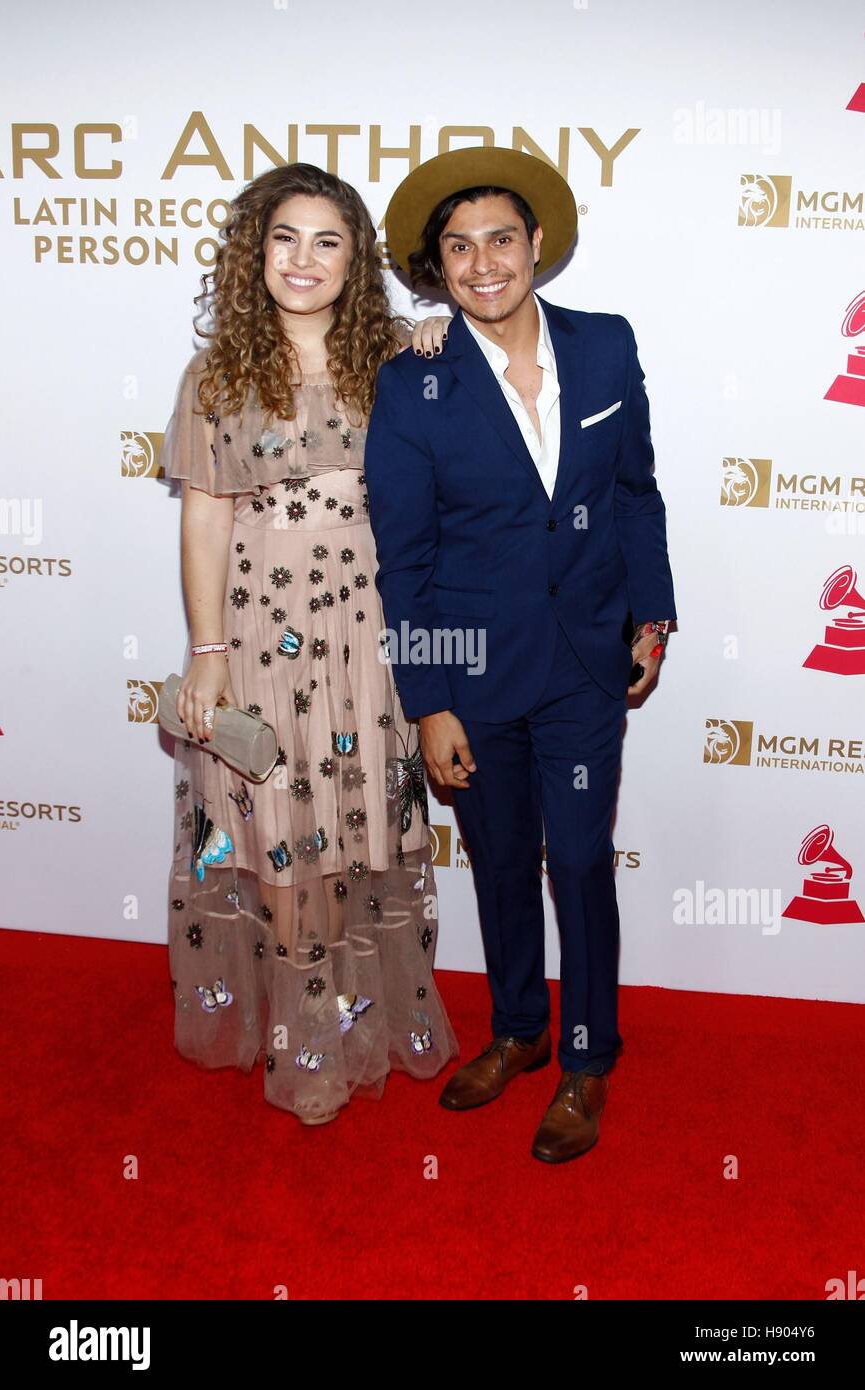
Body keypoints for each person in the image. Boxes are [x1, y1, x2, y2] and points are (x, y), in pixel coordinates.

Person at [364, 147, 676, 1162]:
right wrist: (428, 700)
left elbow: (633, 492)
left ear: (537, 245)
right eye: (457, 247)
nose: (481, 262)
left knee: (579, 862)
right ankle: (517, 1030)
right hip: (474, 671)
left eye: (499, 238)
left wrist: (653, 613)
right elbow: (403, 558)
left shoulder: (603, 345)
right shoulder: (411, 386)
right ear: (436, 267)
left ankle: (586, 1057)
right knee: (499, 860)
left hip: (586, 658)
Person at [160, 162, 457, 1126]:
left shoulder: (395, 362)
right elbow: (204, 522)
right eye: (284, 237)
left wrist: (441, 337)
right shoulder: (220, 374)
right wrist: (208, 653)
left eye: (327, 241)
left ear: (354, 259)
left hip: (368, 626)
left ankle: (361, 1020)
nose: (304, 260)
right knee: (283, 838)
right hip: (259, 634)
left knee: (362, 833)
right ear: (256, 251)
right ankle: (309, 1043)